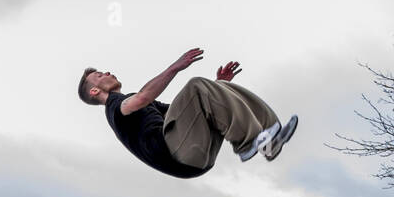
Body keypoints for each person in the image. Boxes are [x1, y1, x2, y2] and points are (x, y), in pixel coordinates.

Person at [77, 48, 297, 179]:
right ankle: (249, 142)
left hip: (194, 159)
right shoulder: (114, 106)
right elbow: (143, 98)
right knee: (196, 84)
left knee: (206, 88)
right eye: (98, 75)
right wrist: (175, 67)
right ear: (95, 90)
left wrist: (219, 86)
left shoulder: (132, 103)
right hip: (176, 153)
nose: (106, 72)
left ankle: (270, 140)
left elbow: (185, 109)